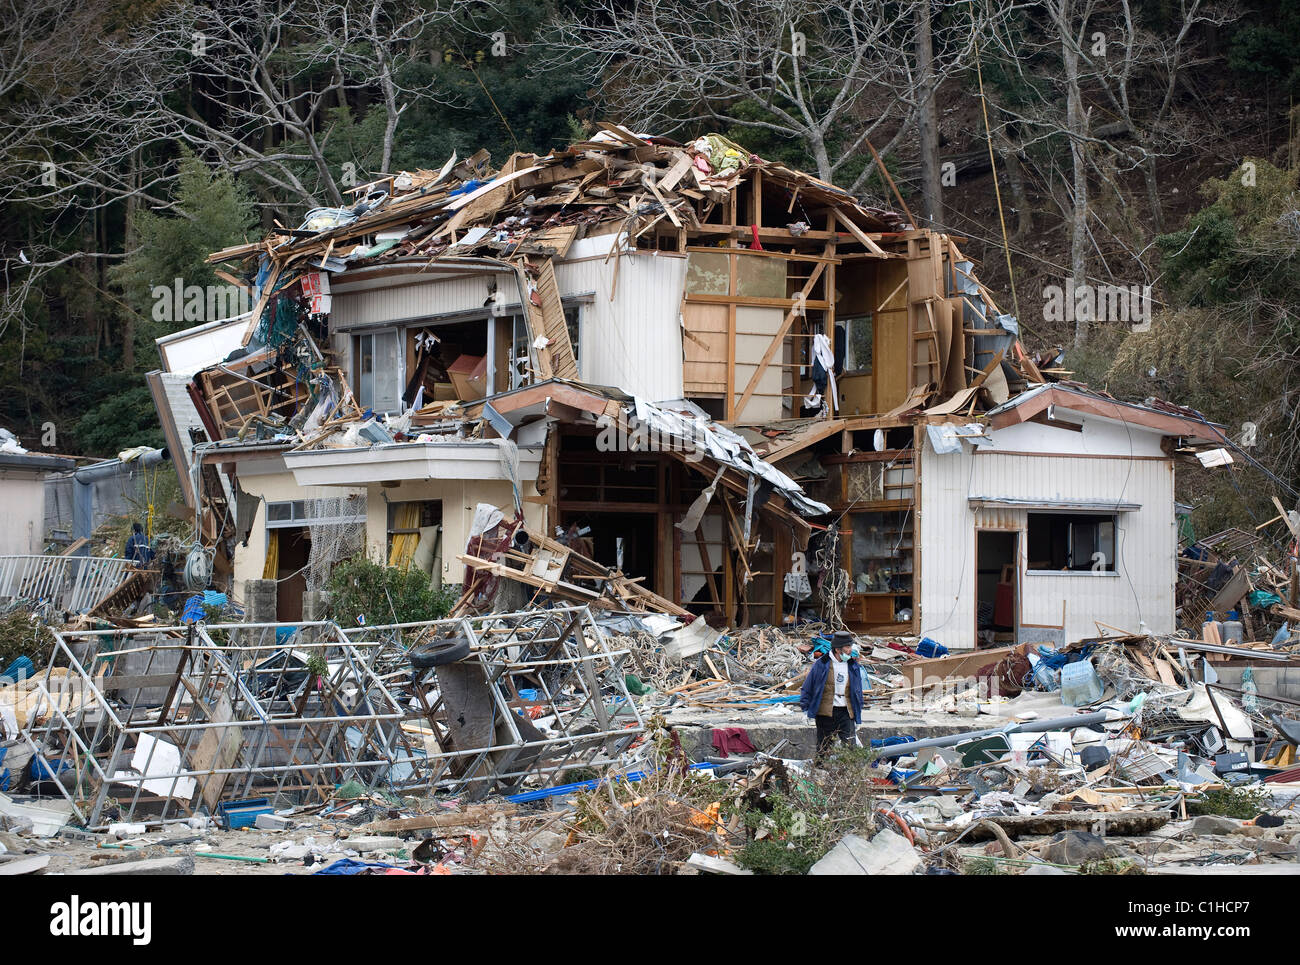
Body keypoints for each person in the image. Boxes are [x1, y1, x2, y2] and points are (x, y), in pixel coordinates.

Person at [799, 630, 863, 759]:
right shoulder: (821, 664)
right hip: (826, 713)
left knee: (850, 748)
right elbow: (808, 687)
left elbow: (857, 692)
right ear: (838, 649)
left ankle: (848, 776)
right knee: (824, 748)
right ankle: (820, 773)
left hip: (846, 712)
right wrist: (806, 710)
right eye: (847, 647)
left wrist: (858, 715)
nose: (850, 650)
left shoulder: (853, 665)